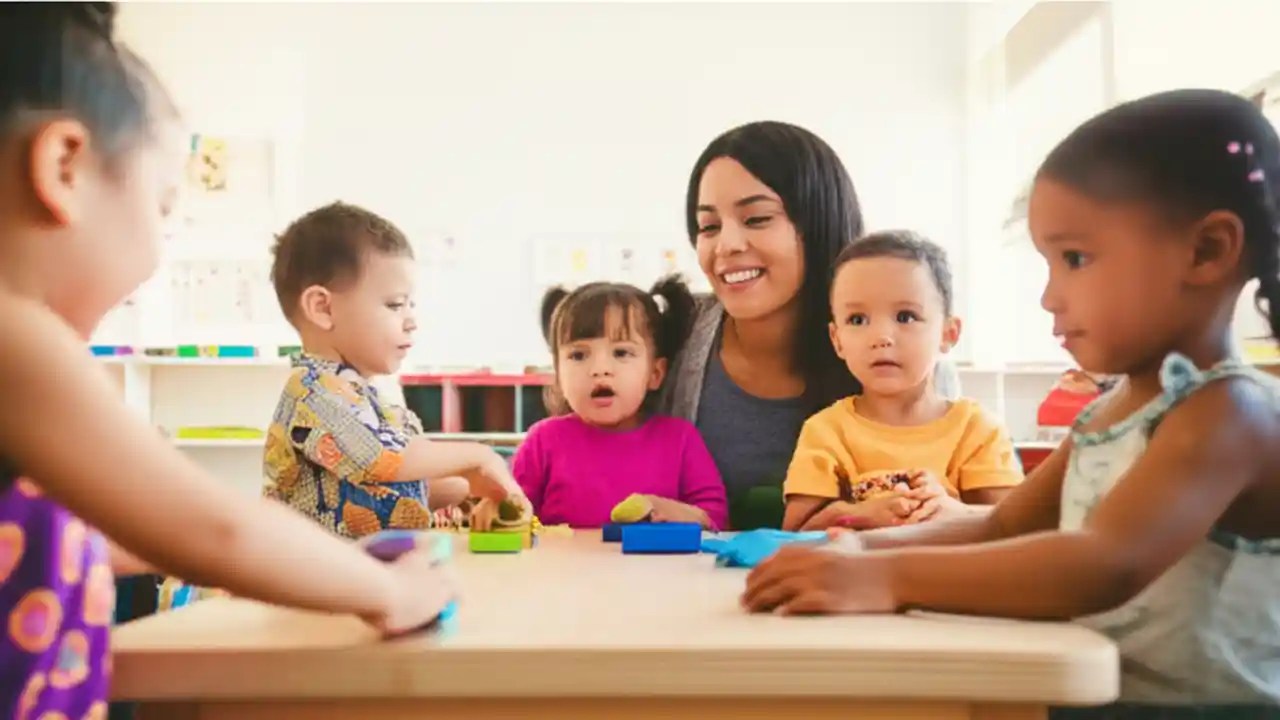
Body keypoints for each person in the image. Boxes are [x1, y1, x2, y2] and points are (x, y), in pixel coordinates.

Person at [742, 89, 1280, 716]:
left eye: (1075, 259)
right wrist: (858, 548)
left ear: (1207, 251)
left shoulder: (1227, 414)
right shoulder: (1110, 411)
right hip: (1088, 697)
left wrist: (883, 578)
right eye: (1048, 264)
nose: (1050, 297)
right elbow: (1001, 526)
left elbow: (1104, 561)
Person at [0, 5, 454, 715]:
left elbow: (81, 537)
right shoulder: (14, 342)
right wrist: (391, 591)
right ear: (64, 167)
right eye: (162, 205)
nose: (161, 242)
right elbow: (217, 530)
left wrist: (327, 563)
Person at [660, 121, 960, 529]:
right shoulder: (670, 338)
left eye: (757, 218)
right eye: (708, 227)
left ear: (818, 223)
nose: (726, 245)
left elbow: (951, 520)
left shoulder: (910, 359)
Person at [264, 201, 526, 537]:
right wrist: (479, 457)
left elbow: (385, 489)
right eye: (395, 305)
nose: (411, 321)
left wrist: (468, 487)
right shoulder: (314, 393)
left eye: (410, 305)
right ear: (322, 308)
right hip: (311, 580)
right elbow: (384, 458)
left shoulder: (359, 395)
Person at [781, 231, 1021, 531]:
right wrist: (861, 514)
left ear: (949, 333)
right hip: (854, 577)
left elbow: (1015, 525)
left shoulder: (976, 430)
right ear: (836, 339)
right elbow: (794, 533)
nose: (881, 337)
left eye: (906, 316)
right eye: (857, 320)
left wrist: (952, 511)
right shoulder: (826, 431)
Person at [514, 277, 728, 530]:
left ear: (655, 374)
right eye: (578, 355)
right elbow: (511, 510)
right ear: (558, 374)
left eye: (621, 353)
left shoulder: (680, 439)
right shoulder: (543, 441)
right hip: (562, 570)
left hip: (658, 570)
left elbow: (716, 520)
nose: (600, 369)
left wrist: (667, 509)